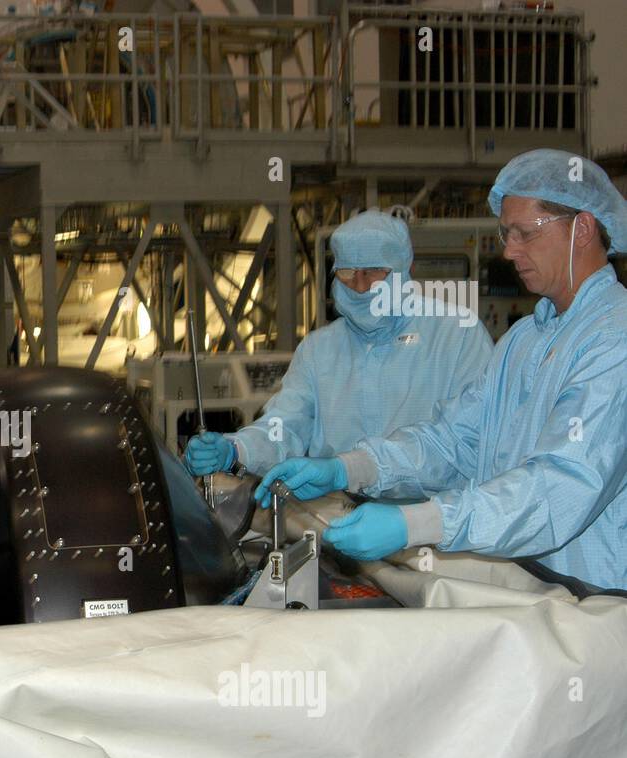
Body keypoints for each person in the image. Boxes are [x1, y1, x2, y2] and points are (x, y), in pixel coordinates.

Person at [257, 150, 627, 592]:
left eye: (524, 233)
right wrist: (349, 468)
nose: (508, 251)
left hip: (598, 599)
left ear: (582, 228)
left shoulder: (613, 340)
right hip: (532, 587)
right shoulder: (526, 338)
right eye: (505, 234)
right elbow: (453, 440)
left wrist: (418, 523)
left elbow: (558, 490)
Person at [185, 210, 492, 479]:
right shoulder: (319, 349)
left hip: (435, 517)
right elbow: (287, 425)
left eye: (372, 273)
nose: (359, 286)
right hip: (337, 511)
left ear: (404, 271)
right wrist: (237, 448)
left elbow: (466, 440)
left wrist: (359, 469)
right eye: (347, 273)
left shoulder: (456, 337)